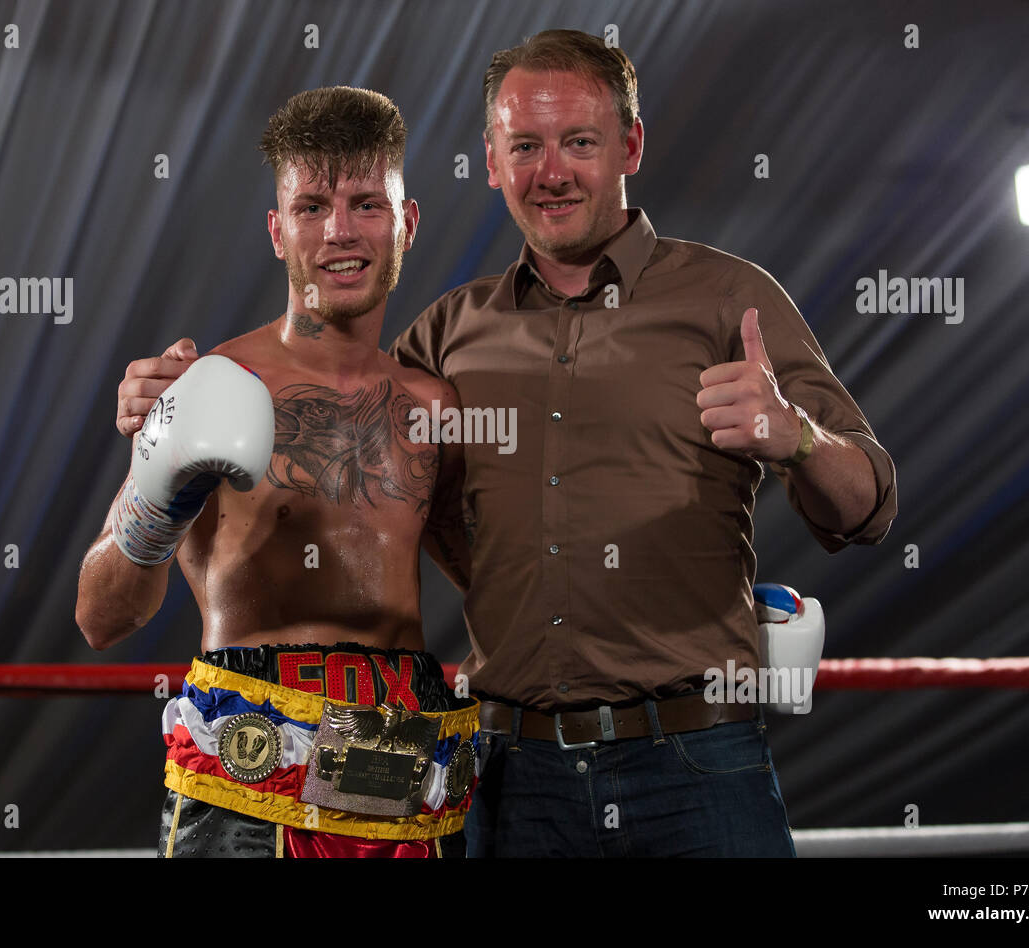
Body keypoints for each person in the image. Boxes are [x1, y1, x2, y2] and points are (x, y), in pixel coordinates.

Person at [385, 29, 898, 857]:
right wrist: (189, 396)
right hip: (509, 775)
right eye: (525, 145)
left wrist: (795, 438)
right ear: (489, 159)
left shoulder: (731, 296)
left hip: (697, 766)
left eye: (579, 142)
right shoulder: (446, 331)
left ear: (630, 144)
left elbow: (871, 501)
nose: (550, 172)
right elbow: (347, 467)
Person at [79, 86, 476, 858]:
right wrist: (160, 494)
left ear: (407, 223)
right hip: (250, 781)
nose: (339, 231)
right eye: (311, 206)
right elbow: (102, 618)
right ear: (276, 230)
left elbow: (501, 588)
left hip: (410, 782)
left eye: (367, 203)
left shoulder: (433, 405)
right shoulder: (207, 386)